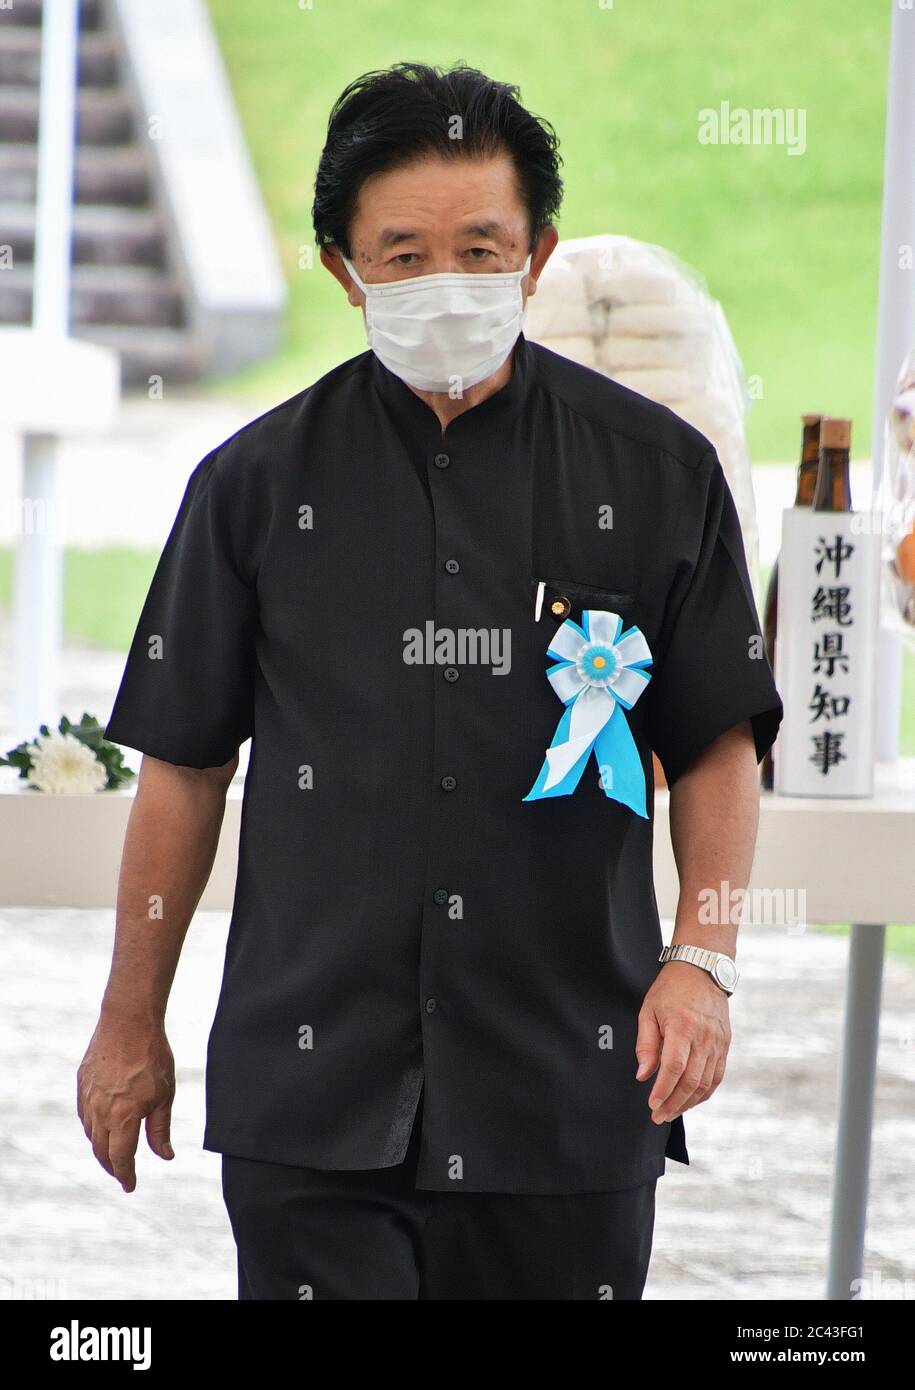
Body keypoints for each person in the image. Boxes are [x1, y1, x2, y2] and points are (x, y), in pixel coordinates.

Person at [78, 62, 783, 1301]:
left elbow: (721, 741)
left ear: (540, 253)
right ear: (343, 270)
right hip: (316, 1102)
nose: (444, 283)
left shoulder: (660, 475)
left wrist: (704, 959)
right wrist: (132, 1018)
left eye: (481, 247)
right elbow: (184, 770)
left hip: (569, 1092)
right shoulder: (250, 488)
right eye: (402, 256)